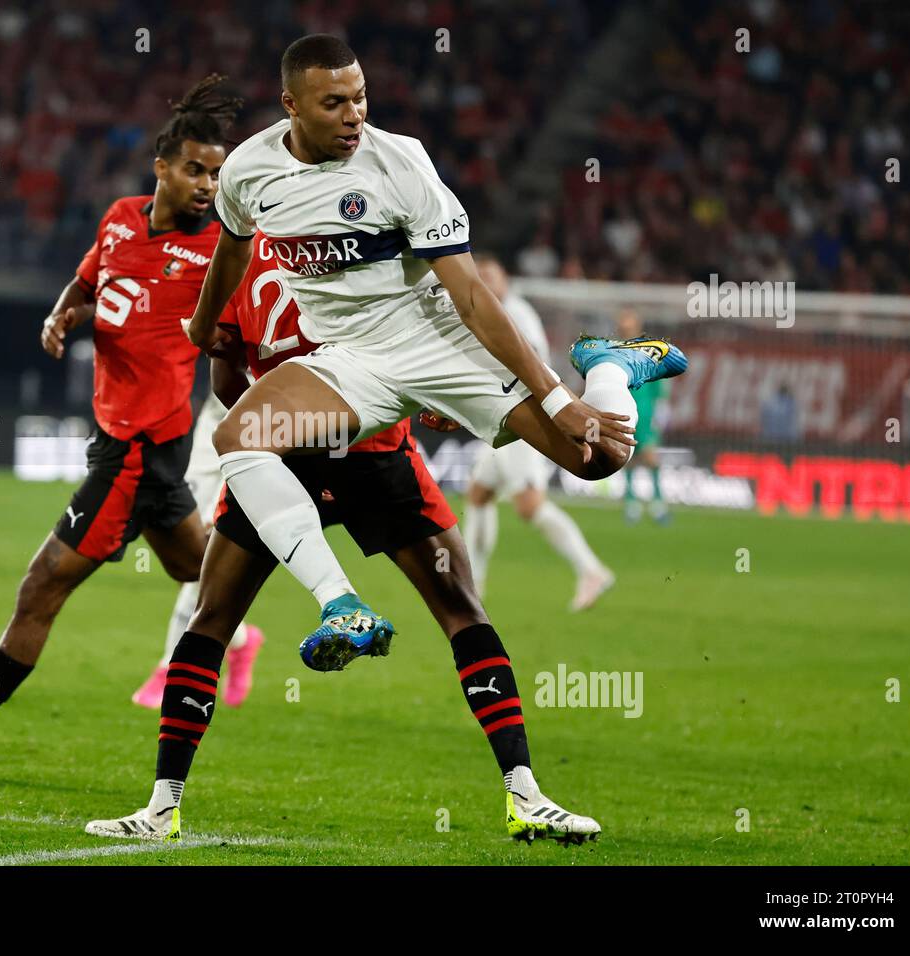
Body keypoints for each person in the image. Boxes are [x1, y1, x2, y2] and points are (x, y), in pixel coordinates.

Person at [185, 34, 686, 671]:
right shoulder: (248, 170)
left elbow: (472, 297)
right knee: (241, 437)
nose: (354, 115)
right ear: (291, 104)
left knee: (598, 459)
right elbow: (232, 247)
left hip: (439, 342)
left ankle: (612, 365)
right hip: (352, 358)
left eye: (361, 98)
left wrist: (560, 399)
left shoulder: (401, 166)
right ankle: (341, 603)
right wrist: (203, 325)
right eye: (334, 102)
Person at [86, 232, 601, 844]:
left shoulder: (239, 263)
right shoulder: (360, 245)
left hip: (279, 457)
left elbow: (229, 387)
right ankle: (526, 794)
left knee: (209, 620)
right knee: (462, 610)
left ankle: (162, 808)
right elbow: (430, 343)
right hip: (377, 457)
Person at [0, 76, 244, 776]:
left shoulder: (220, 251)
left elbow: (248, 319)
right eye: (194, 169)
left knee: (41, 586)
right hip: (145, 452)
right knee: (201, 574)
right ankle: (255, 616)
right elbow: (88, 280)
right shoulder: (120, 219)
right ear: (160, 167)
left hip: (134, 454)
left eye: (217, 175)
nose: (206, 185)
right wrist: (62, 313)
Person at [462, 255, 613, 611]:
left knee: (528, 506)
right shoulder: (489, 310)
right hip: (502, 418)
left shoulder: (515, 311)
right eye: (478, 276)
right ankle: (474, 582)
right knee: (479, 494)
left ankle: (591, 571)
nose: (484, 282)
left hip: (523, 419)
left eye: (490, 276)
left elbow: (526, 356)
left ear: (506, 282)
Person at [129, 391, 265, 710]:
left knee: (207, 554)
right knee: (191, 553)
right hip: (217, 417)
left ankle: (169, 668)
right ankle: (242, 640)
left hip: (270, 421)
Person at [615, 308, 672, 524]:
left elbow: (659, 387)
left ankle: (657, 502)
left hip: (645, 414)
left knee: (650, 457)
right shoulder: (613, 353)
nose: (625, 332)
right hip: (622, 411)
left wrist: (662, 411)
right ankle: (631, 503)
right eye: (623, 329)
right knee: (626, 457)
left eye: (629, 328)